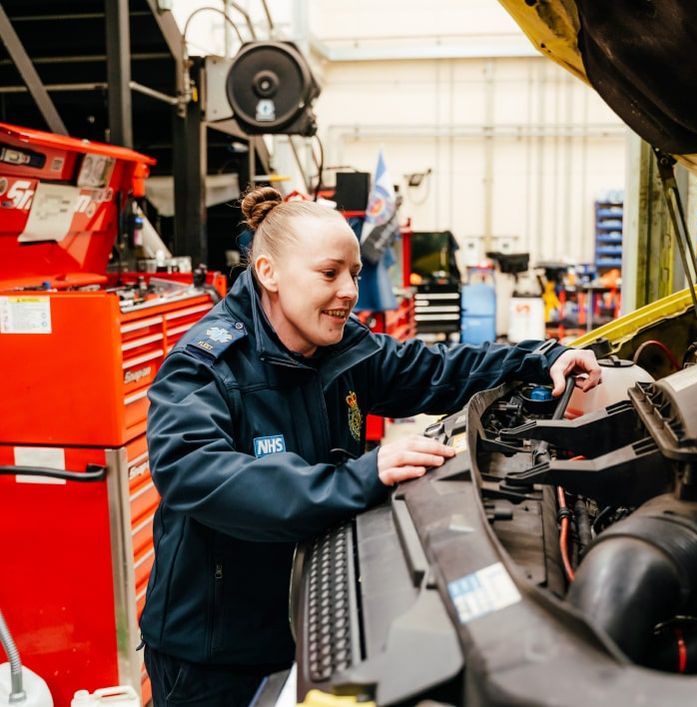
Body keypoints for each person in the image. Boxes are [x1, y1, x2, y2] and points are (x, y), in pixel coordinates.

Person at [140, 186, 601, 706]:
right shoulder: (205, 366)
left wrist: (539, 359)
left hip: (304, 627)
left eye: (355, 274)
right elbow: (195, 471)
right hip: (214, 656)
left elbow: (435, 369)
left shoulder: (338, 348)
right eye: (329, 273)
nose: (349, 291)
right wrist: (362, 475)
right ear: (268, 273)